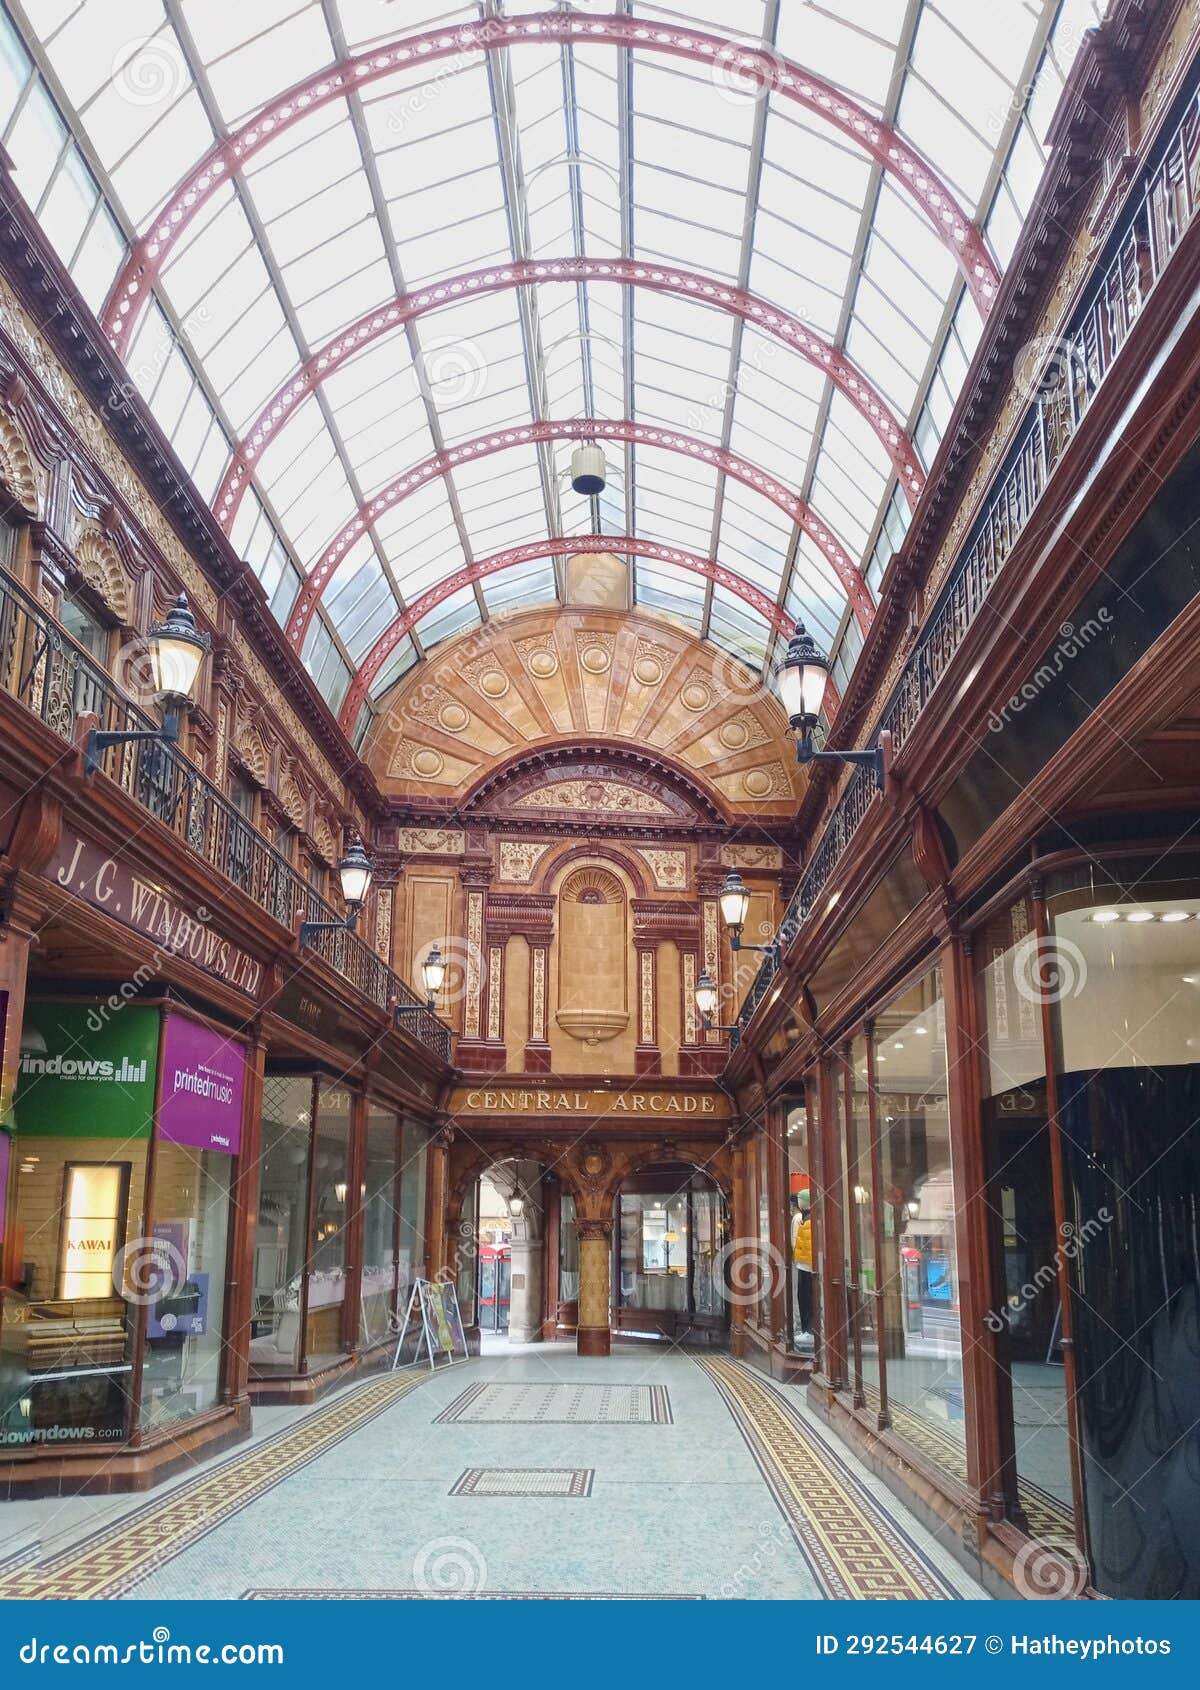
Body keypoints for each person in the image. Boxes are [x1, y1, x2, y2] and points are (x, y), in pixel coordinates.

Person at [791, 1194, 813, 1337]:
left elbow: (796, 1241)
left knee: (805, 1296)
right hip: (804, 1264)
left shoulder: (801, 1219)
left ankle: (808, 1329)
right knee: (805, 1296)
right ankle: (807, 1328)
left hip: (805, 1265)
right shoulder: (805, 1218)